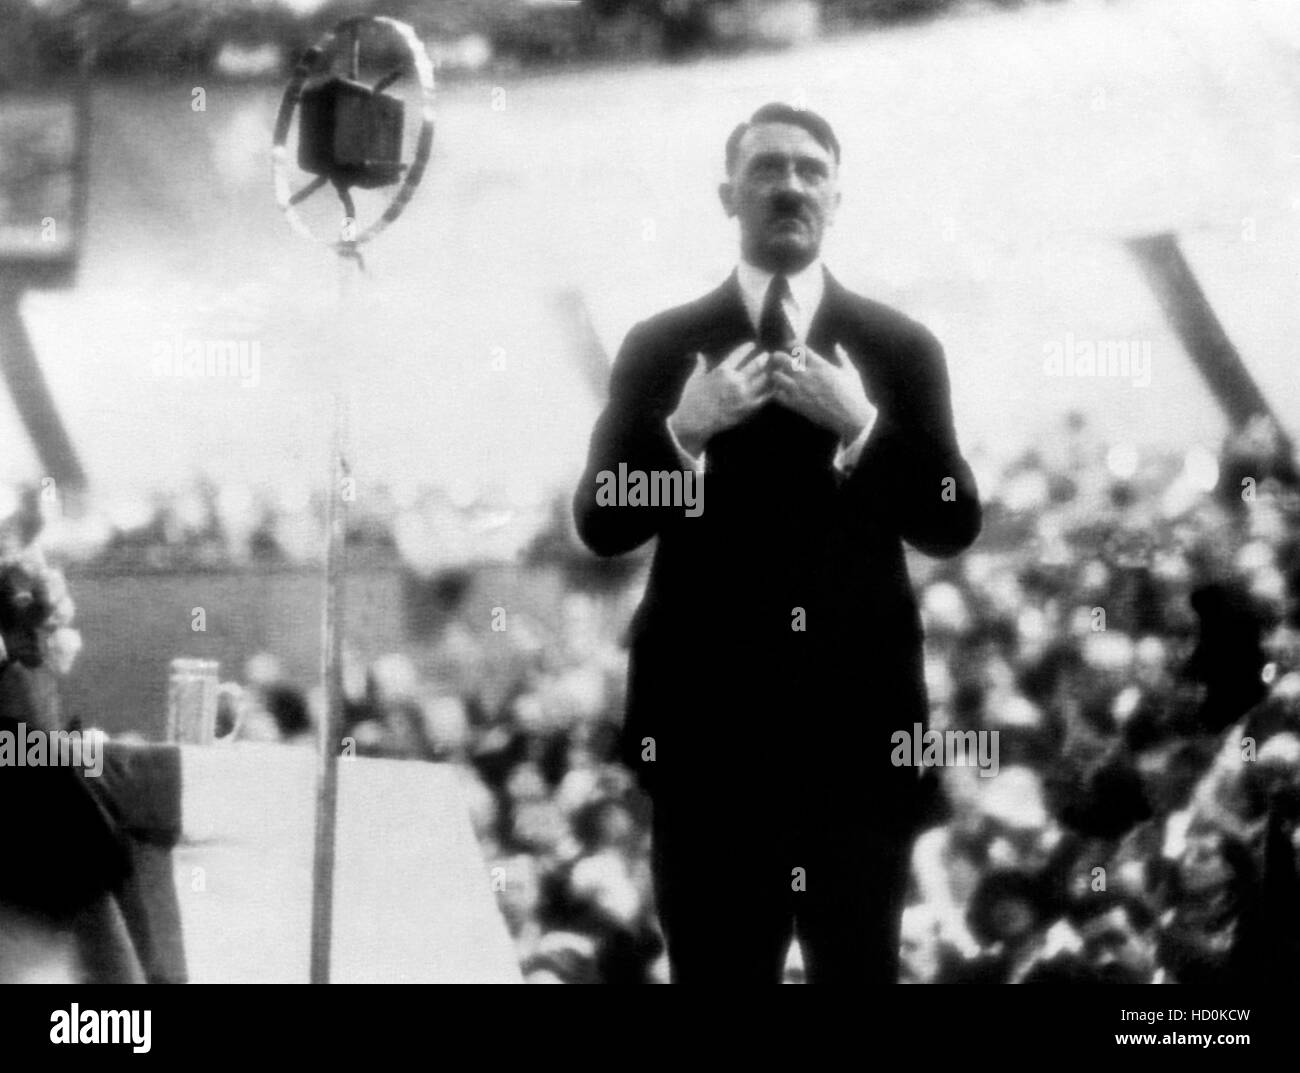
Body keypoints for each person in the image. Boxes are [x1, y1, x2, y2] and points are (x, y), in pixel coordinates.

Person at [573, 102, 981, 982]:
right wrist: (681, 432)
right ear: (729, 195)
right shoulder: (663, 345)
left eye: (809, 170)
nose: (789, 185)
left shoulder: (901, 348)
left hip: (858, 740)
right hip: (709, 744)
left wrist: (863, 427)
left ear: (838, 198)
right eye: (767, 169)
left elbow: (950, 517)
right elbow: (603, 522)